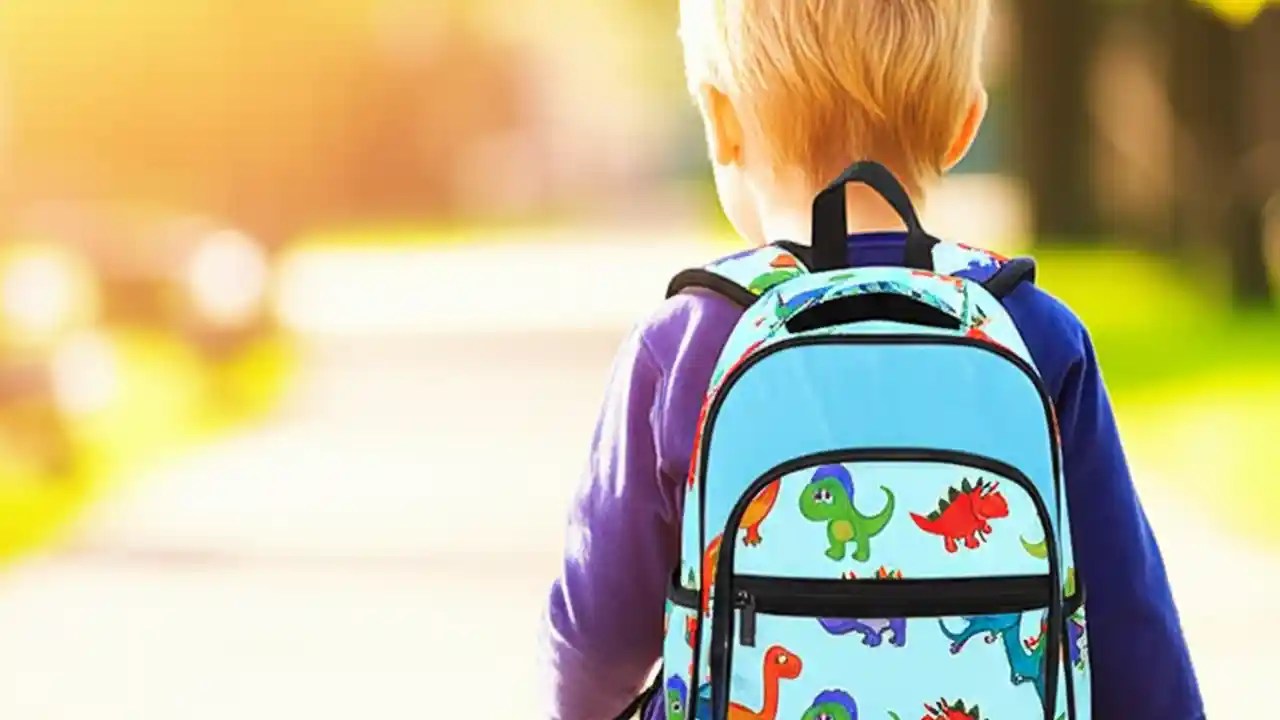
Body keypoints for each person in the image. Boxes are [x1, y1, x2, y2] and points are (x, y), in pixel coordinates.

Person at [538, 2, 1205, 718]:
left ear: (723, 120)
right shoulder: (1035, 333)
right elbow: (1132, 629)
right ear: (964, 125)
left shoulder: (687, 341)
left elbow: (597, 637)